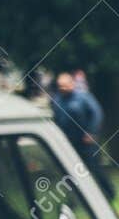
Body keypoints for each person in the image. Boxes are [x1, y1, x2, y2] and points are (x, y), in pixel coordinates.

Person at [49, 70, 115, 202]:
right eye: (60, 85)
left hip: (87, 142)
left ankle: (109, 193)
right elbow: (56, 119)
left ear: (72, 84)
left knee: (94, 168)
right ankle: (78, 199)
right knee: (71, 171)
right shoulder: (57, 100)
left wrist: (92, 132)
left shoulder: (83, 97)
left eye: (65, 85)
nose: (63, 88)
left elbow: (97, 114)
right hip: (69, 142)